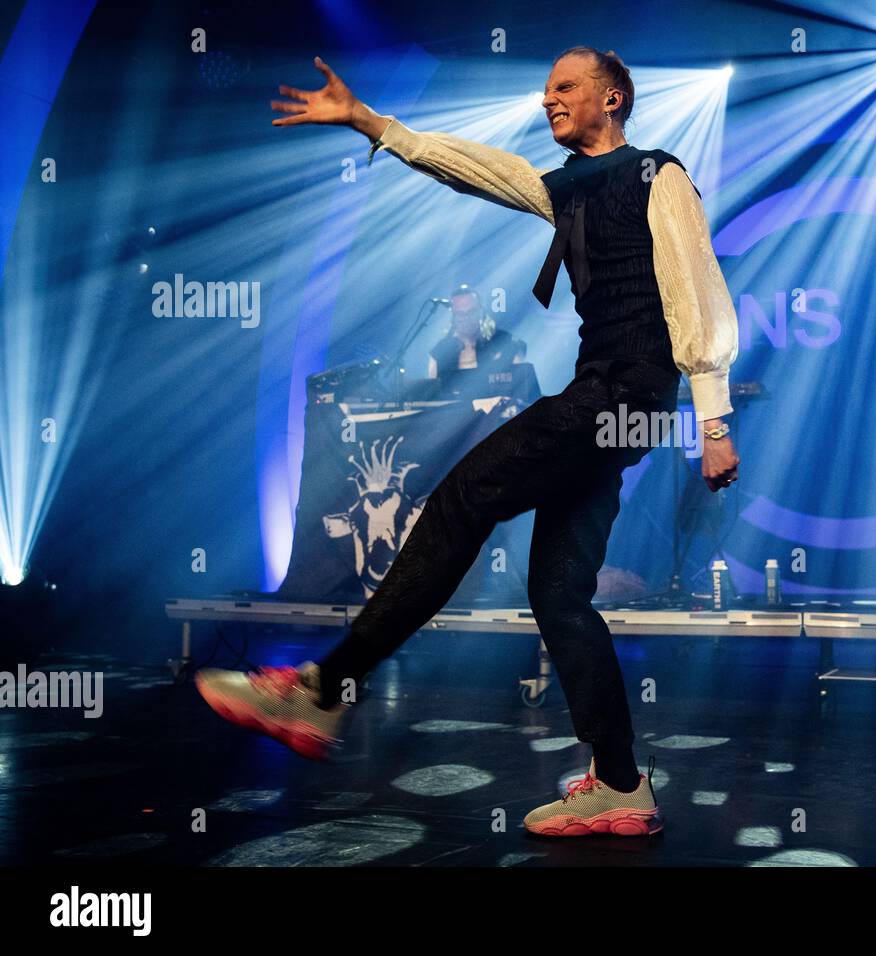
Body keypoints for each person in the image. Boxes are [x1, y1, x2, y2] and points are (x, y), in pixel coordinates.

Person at [196, 47, 740, 837]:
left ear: (612, 97)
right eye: (546, 88)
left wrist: (714, 420)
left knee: (461, 495)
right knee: (558, 593)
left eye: (565, 87)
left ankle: (321, 691)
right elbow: (474, 168)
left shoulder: (657, 177)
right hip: (612, 403)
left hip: (620, 395)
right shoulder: (564, 187)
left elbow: (700, 287)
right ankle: (622, 783)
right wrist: (372, 123)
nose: (548, 98)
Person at [426, 284, 526, 382]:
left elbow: (521, 386)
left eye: (471, 312)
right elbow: (432, 393)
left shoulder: (505, 342)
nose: (466, 318)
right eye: (460, 314)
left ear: (481, 312)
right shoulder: (440, 352)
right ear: (453, 316)